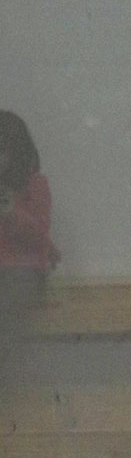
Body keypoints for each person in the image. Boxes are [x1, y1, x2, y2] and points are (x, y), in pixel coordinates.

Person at [0, 111, 58, 367]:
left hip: (20, 273)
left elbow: (39, 232)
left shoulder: (34, 184)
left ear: (18, 152)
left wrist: (11, 211)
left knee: (8, 317)